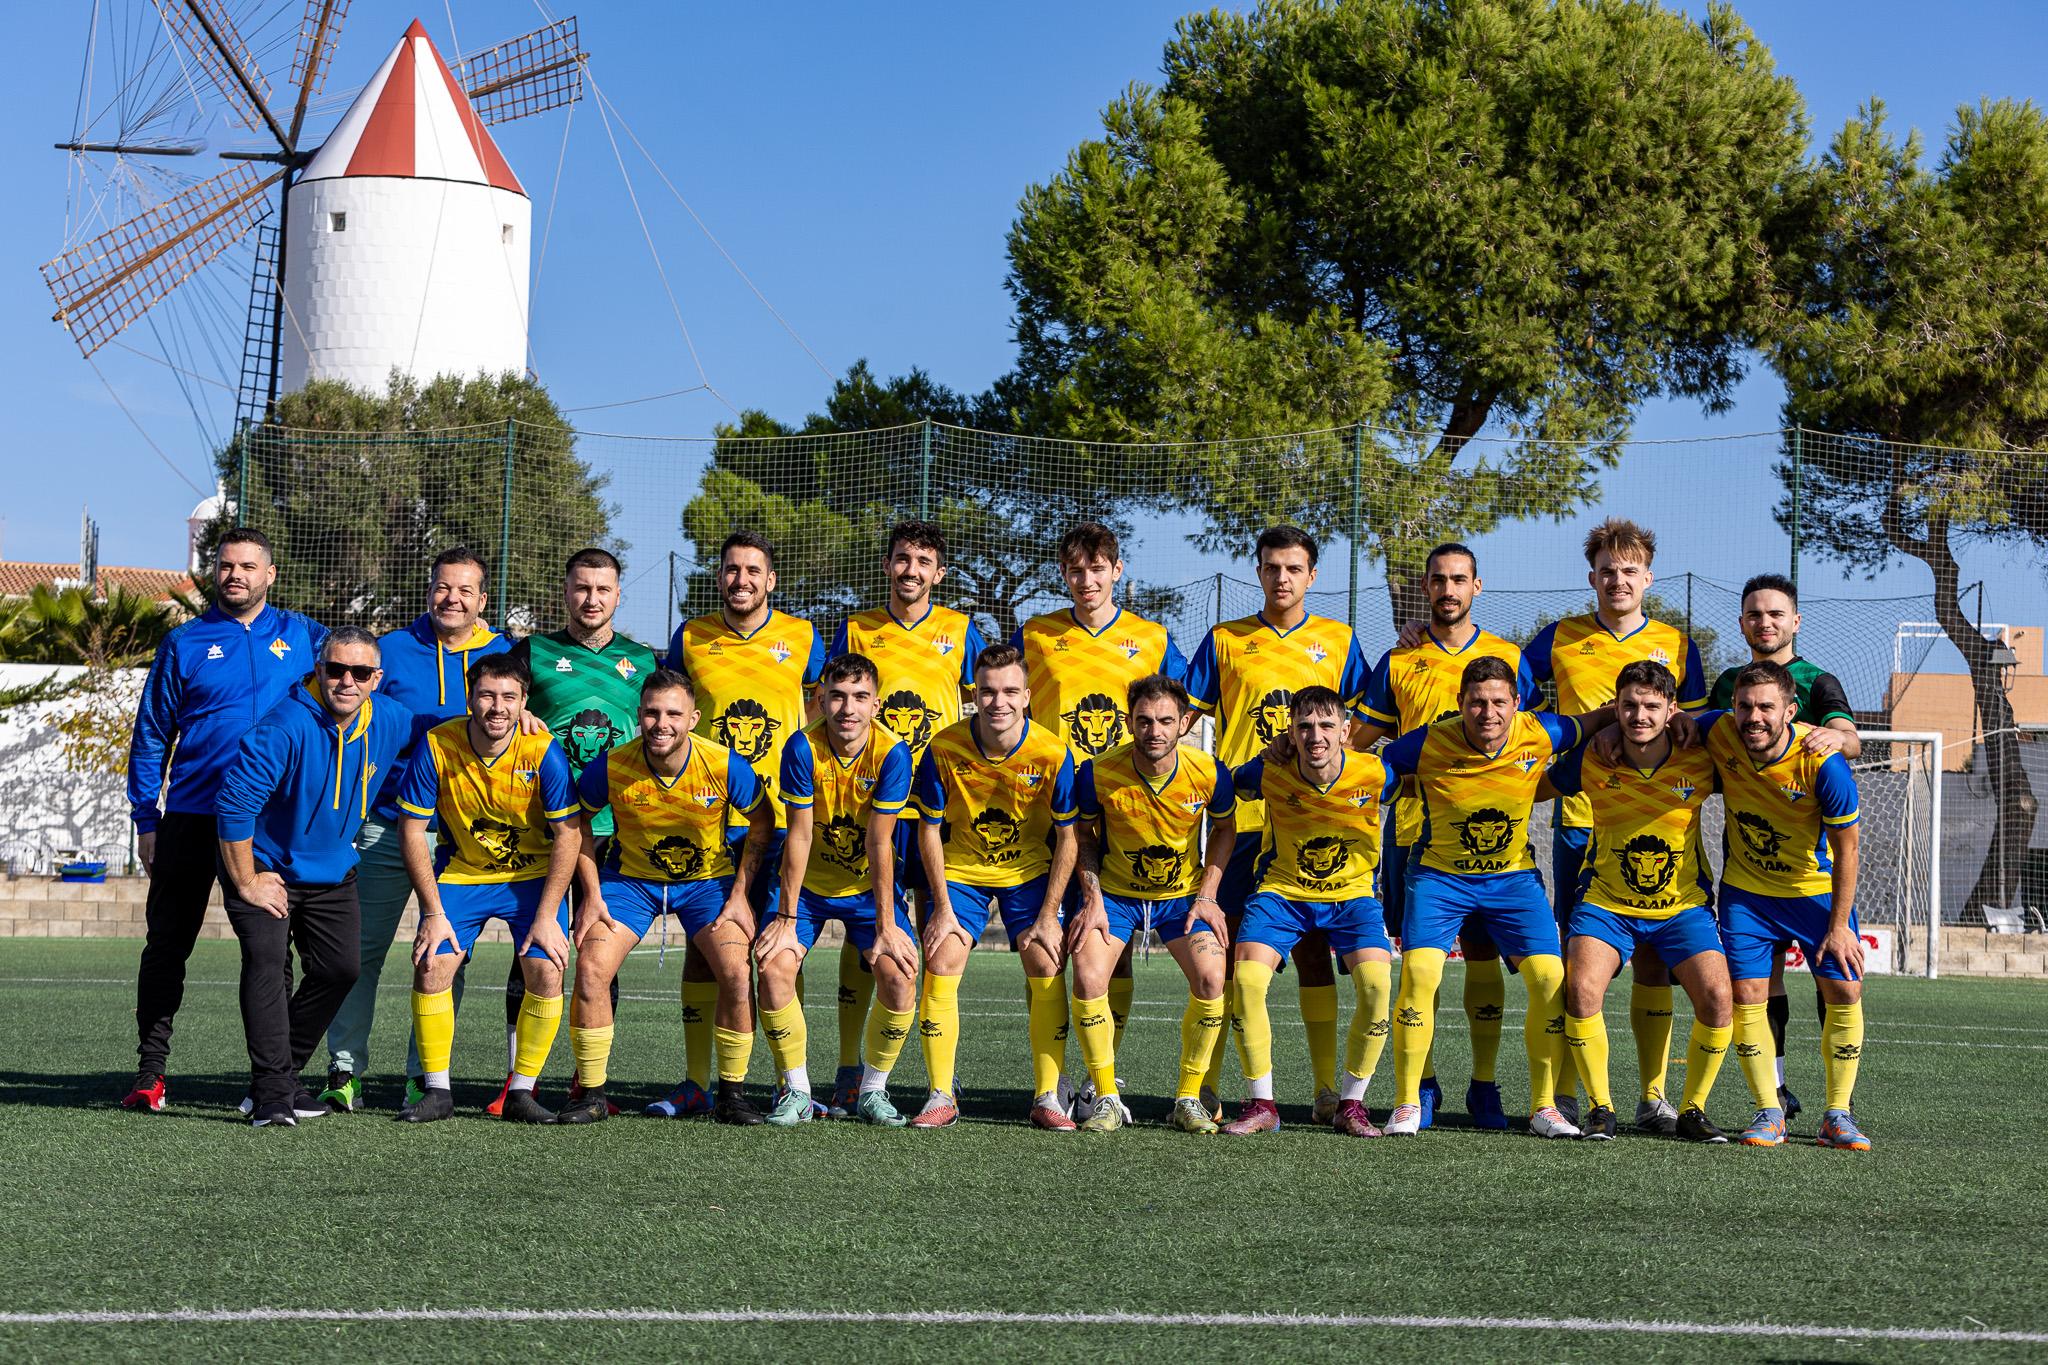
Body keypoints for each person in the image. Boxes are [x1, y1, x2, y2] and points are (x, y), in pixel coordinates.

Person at [121, 527, 327, 1112]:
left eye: (247, 566)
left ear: (270, 575)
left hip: (271, 823)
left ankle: (276, 1078)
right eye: (226, 565)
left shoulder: (306, 637)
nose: (235, 575)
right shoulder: (185, 642)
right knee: (167, 945)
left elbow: (359, 685)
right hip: (191, 816)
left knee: (272, 952)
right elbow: (152, 734)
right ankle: (150, 1073)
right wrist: (146, 818)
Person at [1379, 656, 1618, 1138]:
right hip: (1440, 878)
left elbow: (1602, 716)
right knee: (1420, 973)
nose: (1487, 712)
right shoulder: (1427, 741)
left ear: (1516, 704)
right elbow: (1369, 767)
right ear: (1460, 705)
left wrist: (1635, 724)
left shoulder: (1542, 731)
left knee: (1551, 979)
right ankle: (1406, 1103)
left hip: (1513, 879)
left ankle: (1544, 1107)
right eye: (1476, 702)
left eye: (1498, 702)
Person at [1522, 519, 1707, 1135]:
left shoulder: (1679, 645)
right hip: (1582, 823)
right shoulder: (1557, 638)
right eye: (1607, 569)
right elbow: (1513, 702)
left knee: (1655, 964)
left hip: (1660, 823)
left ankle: (1653, 1097)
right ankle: (1574, 1094)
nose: (1618, 579)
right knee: (1580, 967)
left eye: (1630, 570)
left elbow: (1697, 727)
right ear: (1592, 577)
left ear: (1647, 578)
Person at [1183, 525, 1369, 1124]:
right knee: (1229, 952)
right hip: (1242, 821)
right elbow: (1184, 719)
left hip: (1313, 826)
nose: (1281, 578)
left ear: (1312, 576)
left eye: (1293, 568)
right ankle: (1207, 1086)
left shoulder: (1340, 641)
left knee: (1316, 953)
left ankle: (1321, 1090)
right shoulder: (1225, 640)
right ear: (1257, 574)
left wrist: (1330, 779)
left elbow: (1361, 725)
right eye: (1270, 568)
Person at [1355, 542, 1539, 1130]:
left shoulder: (1508, 656)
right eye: (1438, 580)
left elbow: (1528, 731)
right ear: (1425, 589)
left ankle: (1484, 1084)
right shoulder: (1398, 660)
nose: (1448, 590)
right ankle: (1424, 1083)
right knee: (1422, 968)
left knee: (1485, 955)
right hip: (1416, 837)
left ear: (1476, 587)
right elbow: (1362, 741)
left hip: (1493, 844)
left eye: (1459, 580)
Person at [319, 548, 508, 1112]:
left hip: (465, 836)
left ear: (482, 599)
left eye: (465, 590)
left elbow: (525, 719)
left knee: (444, 954)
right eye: (443, 587)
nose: (453, 599)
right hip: (387, 823)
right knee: (360, 953)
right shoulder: (393, 651)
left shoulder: (504, 655)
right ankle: (344, 1071)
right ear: (430, 590)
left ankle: (425, 1074)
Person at [1013, 521, 1188, 1108]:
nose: (1087, 580)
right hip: (1049, 809)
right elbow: (1002, 699)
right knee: (1046, 947)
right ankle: (1051, 1080)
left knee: (1105, 948)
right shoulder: (1035, 635)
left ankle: (1096, 1079)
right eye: (1075, 570)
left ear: (1117, 571)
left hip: (1126, 810)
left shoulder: (1153, 637)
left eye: (1098, 568)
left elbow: (1182, 710)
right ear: (1063, 574)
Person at [557, 670, 774, 1127]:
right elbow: (574, 823)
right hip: (629, 881)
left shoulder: (724, 764)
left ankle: (732, 1095)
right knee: (592, 967)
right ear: (638, 716)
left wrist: (739, 896)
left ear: (693, 718)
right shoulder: (612, 766)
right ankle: (591, 1094)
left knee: (736, 971)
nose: (662, 723)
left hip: (706, 883)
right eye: (652, 712)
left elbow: (762, 822)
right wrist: (592, 895)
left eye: (673, 713)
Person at [215, 627, 409, 1126]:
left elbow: (453, 728)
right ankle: (273, 1096)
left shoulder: (390, 719)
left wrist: (519, 719)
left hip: (333, 870)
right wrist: (247, 882)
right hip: (263, 865)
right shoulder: (283, 727)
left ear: (376, 679)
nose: (347, 680)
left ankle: (281, 1076)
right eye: (335, 669)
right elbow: (234, 808)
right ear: (318, 670)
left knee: (340, 970)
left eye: (360, 672)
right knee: (267, 964)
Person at [665, 532, 830, 1110]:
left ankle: (793, 1082)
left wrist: (795, 741)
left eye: (753, 571)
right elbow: (664, 700)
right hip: (706, 816)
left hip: (782, 815)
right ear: (719, 578)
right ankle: (696, 1082)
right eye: (732, 570)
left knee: (784, 944)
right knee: (702, 946)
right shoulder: (690, 637)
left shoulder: (803, 635)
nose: (742, 580)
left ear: (771, 580)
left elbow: (827, 700)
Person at [1547, 661, 1732, 1143]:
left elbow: (1742, 740)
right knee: (1582, 990)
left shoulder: (1700, 758)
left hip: (1681, 907)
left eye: (1652, 705)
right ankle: (1599, 1109)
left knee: (1718, 998)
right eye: (1629, 705)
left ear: (1672, 710)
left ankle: (1689, 1109)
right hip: (1607, 904)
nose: (1639, 715)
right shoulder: (1593, 756)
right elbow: (1531, 785)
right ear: (1616, 707)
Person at [505, 549, 662, 1116]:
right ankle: (516, 1079)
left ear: (619, 595)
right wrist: (518, 712)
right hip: (541, 829)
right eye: (580, 588)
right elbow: (498, 702)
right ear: (564, 591)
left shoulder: (643, 660)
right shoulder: (532, 652)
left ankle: (585, 1080)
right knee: (533, 951)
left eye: (602, 589)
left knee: (599, 952)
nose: (591, 599)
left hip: (614, 832)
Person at [393, 654, 580, 1124]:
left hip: (532, 880)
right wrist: (432, 912)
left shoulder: (543, 750)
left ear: (524, 702)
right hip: (464, 875)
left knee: (547, 967)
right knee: (432, 961)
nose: (498, 707)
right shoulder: (438, 744)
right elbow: (412, 830)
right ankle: (437, 1092)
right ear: (471, 697)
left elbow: (570, 835)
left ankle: (521, 1091)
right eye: (488, 695)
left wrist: (546, 913)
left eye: (509, 697)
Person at [1707, 571, 1862, 1119]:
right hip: (1747, 862)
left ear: (1795, 621)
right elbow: (1700, 729)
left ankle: (1837, 1105)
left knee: (1833, 977)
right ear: (1743, 622)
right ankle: (1775, 1093)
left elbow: (1850, 736)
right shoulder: (1730, 683)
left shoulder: (1816, 681)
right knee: (1760, 981)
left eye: (1776, 614)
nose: (1765, 622)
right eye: (1754, 614)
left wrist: (1834, 739)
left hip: (1808, 860)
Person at [909, 643, 1078, 1129]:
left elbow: (1067, 836)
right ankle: (941, 1093)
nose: (997, 702)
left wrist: (1049, 914)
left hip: (1028, 872)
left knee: (1045, 958)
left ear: (1027, 696)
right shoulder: (943, 747)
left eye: (1009, 691)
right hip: (961, 872)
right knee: (941, 956)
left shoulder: (1052, 750)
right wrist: (940, 906)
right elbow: (928, 831)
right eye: (986, 691)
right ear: (973, 695)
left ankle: (1048, 1095)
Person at [1222, 686, 1397, 1138]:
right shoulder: (1269, 772)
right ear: (1290, 734)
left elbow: (1431, 776)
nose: (1314, 736)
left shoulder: (1377, 773)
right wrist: (1265, 753)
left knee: (1378, 987)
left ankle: (1351, 1105)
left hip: (1354, 897)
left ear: (1345, 731)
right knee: (1245, 980)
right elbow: (1231, 782)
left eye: (1325, 726)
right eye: (1303, 726)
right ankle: (1262, 1104)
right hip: (1282, 893)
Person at [754, 654, 919, 1127]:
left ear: (877, 704)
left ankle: (872, 1090)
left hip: (867, 889)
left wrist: (888, 924)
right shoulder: (801, 748)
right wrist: (785, 919)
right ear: (821, 698)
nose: (848, 708)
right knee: (773, 967)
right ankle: (798, 1091)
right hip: (807, 889)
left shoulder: (892, 752)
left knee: (900, 973)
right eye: (838, 696)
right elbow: (800, 834)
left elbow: (879, 841)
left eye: (860, 697)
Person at [1068, 673, 1235, 1134]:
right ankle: (1105, 1097)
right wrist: (1093, 897)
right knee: (1087, 974)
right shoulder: (1098, 772)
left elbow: (1224, 830)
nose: (1154, 731)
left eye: (1165, 720)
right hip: (1117, 896)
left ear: (1185, 723)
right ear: (1128, 722)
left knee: (1212, 976)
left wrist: (1208, 896)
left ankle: (1188, 1097)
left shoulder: (1208, 772)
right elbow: (1083, 835)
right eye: (1144, 721)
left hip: (1181, 899)